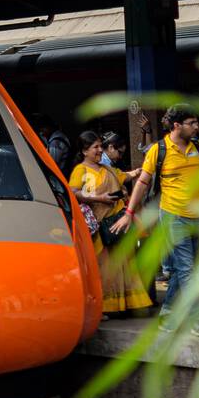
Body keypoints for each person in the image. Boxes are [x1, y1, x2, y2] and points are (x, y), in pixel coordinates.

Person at [109, 104, 199, 336]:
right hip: (173, 217)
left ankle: (167, 313)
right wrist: (129, 213)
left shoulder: (198, 146)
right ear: (177, 125)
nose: (196, 127)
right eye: (192, 123)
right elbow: (142, 182)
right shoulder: (159, 150)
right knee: (188, 270)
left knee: (185, 269)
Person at [70, 131, 152, 317]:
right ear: (84, 151)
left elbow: (125, 176)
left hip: (118, 223)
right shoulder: (80, 171)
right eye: (96, 147)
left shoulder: (107, 169)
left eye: (100, 146)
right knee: (104, 266)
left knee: (123, 262)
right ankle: (105, 307)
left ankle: (126, 304)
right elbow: (73, 192)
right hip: (100, 227)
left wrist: (143, 170)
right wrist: (99, 198)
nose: (100, 150)